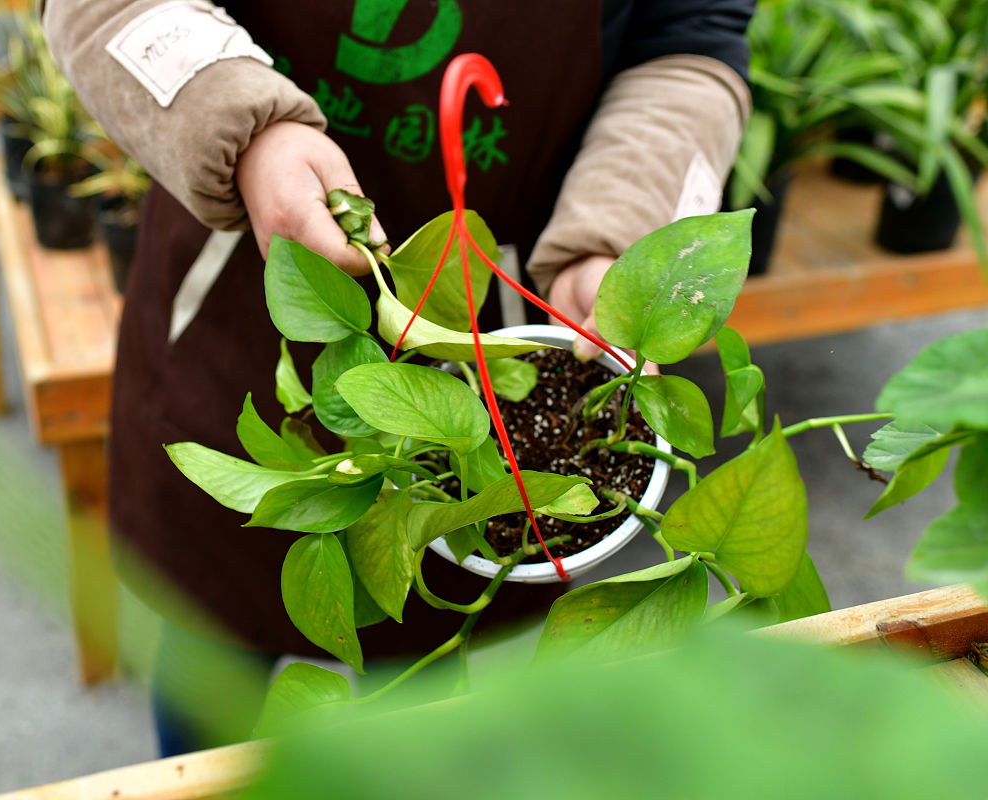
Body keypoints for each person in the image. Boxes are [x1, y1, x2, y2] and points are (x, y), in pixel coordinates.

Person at [41, 0, 755, 754]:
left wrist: (614, 232)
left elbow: (687, 38)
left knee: (419, 676)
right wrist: (241, 125)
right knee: (213, 635)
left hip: (498, 331)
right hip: (240, 285)